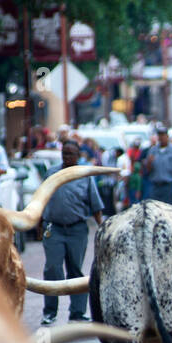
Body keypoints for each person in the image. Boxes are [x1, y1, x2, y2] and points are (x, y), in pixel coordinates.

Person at [39, 140, 104, 326]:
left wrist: (103, 228)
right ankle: (49, 312)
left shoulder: (85, 174)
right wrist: (37, 222)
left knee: (75, 269)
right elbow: (41, 199)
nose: (67, 157)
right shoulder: (51, 173)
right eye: (64, 153)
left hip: (77, 229)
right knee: (52, 269)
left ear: (78, 156)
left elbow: (95, 205)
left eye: (71, 154)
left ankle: (77, 313)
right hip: (54, 228)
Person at [143, 126, 172, 204]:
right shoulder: (153, 151)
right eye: (160, 135)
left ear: (167, 136)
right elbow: (148, 170)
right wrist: (149, 162)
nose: (161, 137)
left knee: (171, 211)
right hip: (156, 186)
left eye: (163, 135)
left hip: (169, 185)